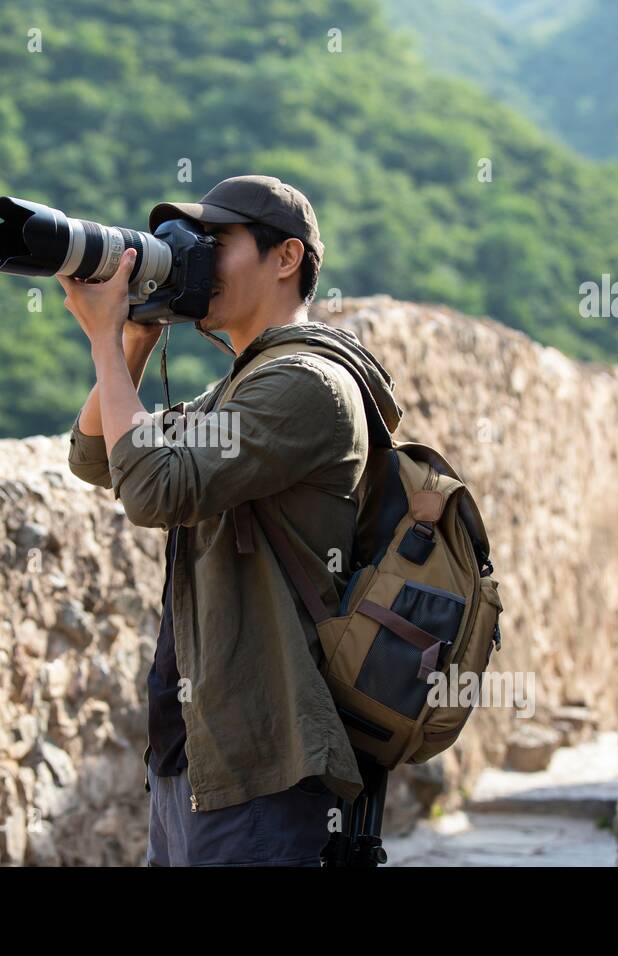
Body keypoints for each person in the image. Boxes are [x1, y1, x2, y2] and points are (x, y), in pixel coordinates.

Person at [64, 175, 402, 866]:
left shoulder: (306, 385)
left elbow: (153, 492)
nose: (197, 257)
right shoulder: (241, 385)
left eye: (217, 242)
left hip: (264, 757)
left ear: (285, 259)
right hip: (195, 749)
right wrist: (131, 340)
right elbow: (97, 458)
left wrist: (101, 339)